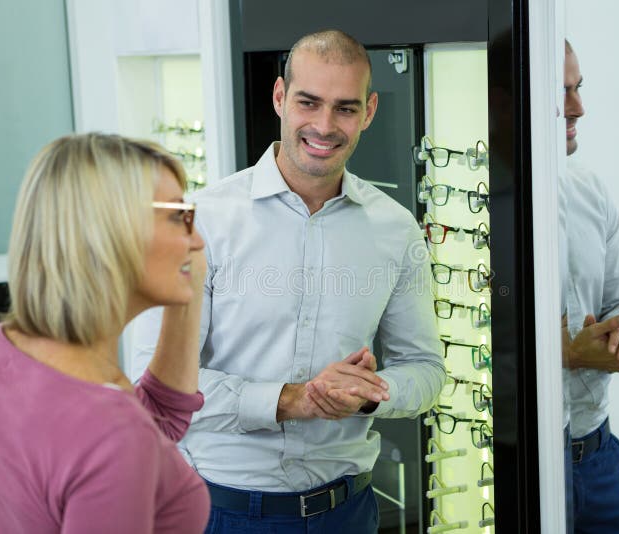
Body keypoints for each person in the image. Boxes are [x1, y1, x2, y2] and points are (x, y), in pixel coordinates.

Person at [131, 29, 445, 533]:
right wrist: (291, 399)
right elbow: (154, 383)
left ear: (368, 112)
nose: (324, 125)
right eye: (308, 102)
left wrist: (369, 391)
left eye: (345, 108)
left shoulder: (395, 228)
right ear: (280, 97)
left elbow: (427, 370)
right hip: (221, 513)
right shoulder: (202, 221)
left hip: (349, 514)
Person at [0, 133, 211, 533]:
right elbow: (123, 443)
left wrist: (189, 285)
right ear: (112, 229)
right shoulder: (113, 435)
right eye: (177, 215)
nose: (197, 239)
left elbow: (155, 427)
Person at [559, 41, 619, 533]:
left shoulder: (589, 188)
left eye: (578, 88)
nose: (578, 108)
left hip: (599, 458)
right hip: (530, 461)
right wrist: (566, 353)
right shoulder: (484, 208)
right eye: (562, 92)